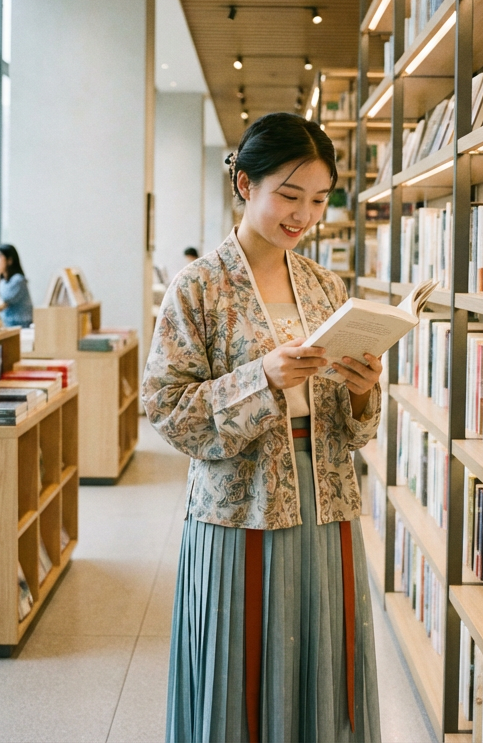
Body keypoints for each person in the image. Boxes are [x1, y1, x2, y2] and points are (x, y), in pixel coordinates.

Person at [143, 113, 383, 742]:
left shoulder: (325, 286)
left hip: (326, 502)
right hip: (239, 507)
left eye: (319, 200)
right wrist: (263, 379)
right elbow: (166, 407)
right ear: (245, 184)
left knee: (324, 661)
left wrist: (361, 391)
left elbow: (354, 429)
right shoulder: (198, 287)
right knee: (242, 666)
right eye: (289, 194)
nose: (303, 215)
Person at [0, 244, 33, 327]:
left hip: (20, 327)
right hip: (9, 326)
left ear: (9, 260)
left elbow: (0, 307)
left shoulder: (18, 280)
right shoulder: (3, 282)